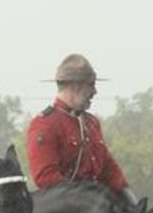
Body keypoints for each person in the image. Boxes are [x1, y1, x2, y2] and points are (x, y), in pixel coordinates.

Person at [26, 54, 136, 202]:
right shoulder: (44, 124)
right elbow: (46, 177)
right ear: (75, 85)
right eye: (91, 85)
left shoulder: (91, 123)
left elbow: (109, 169)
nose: (95, 92)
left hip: (96, 206)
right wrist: (87, 198)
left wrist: (129, 197)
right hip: (62, 210)